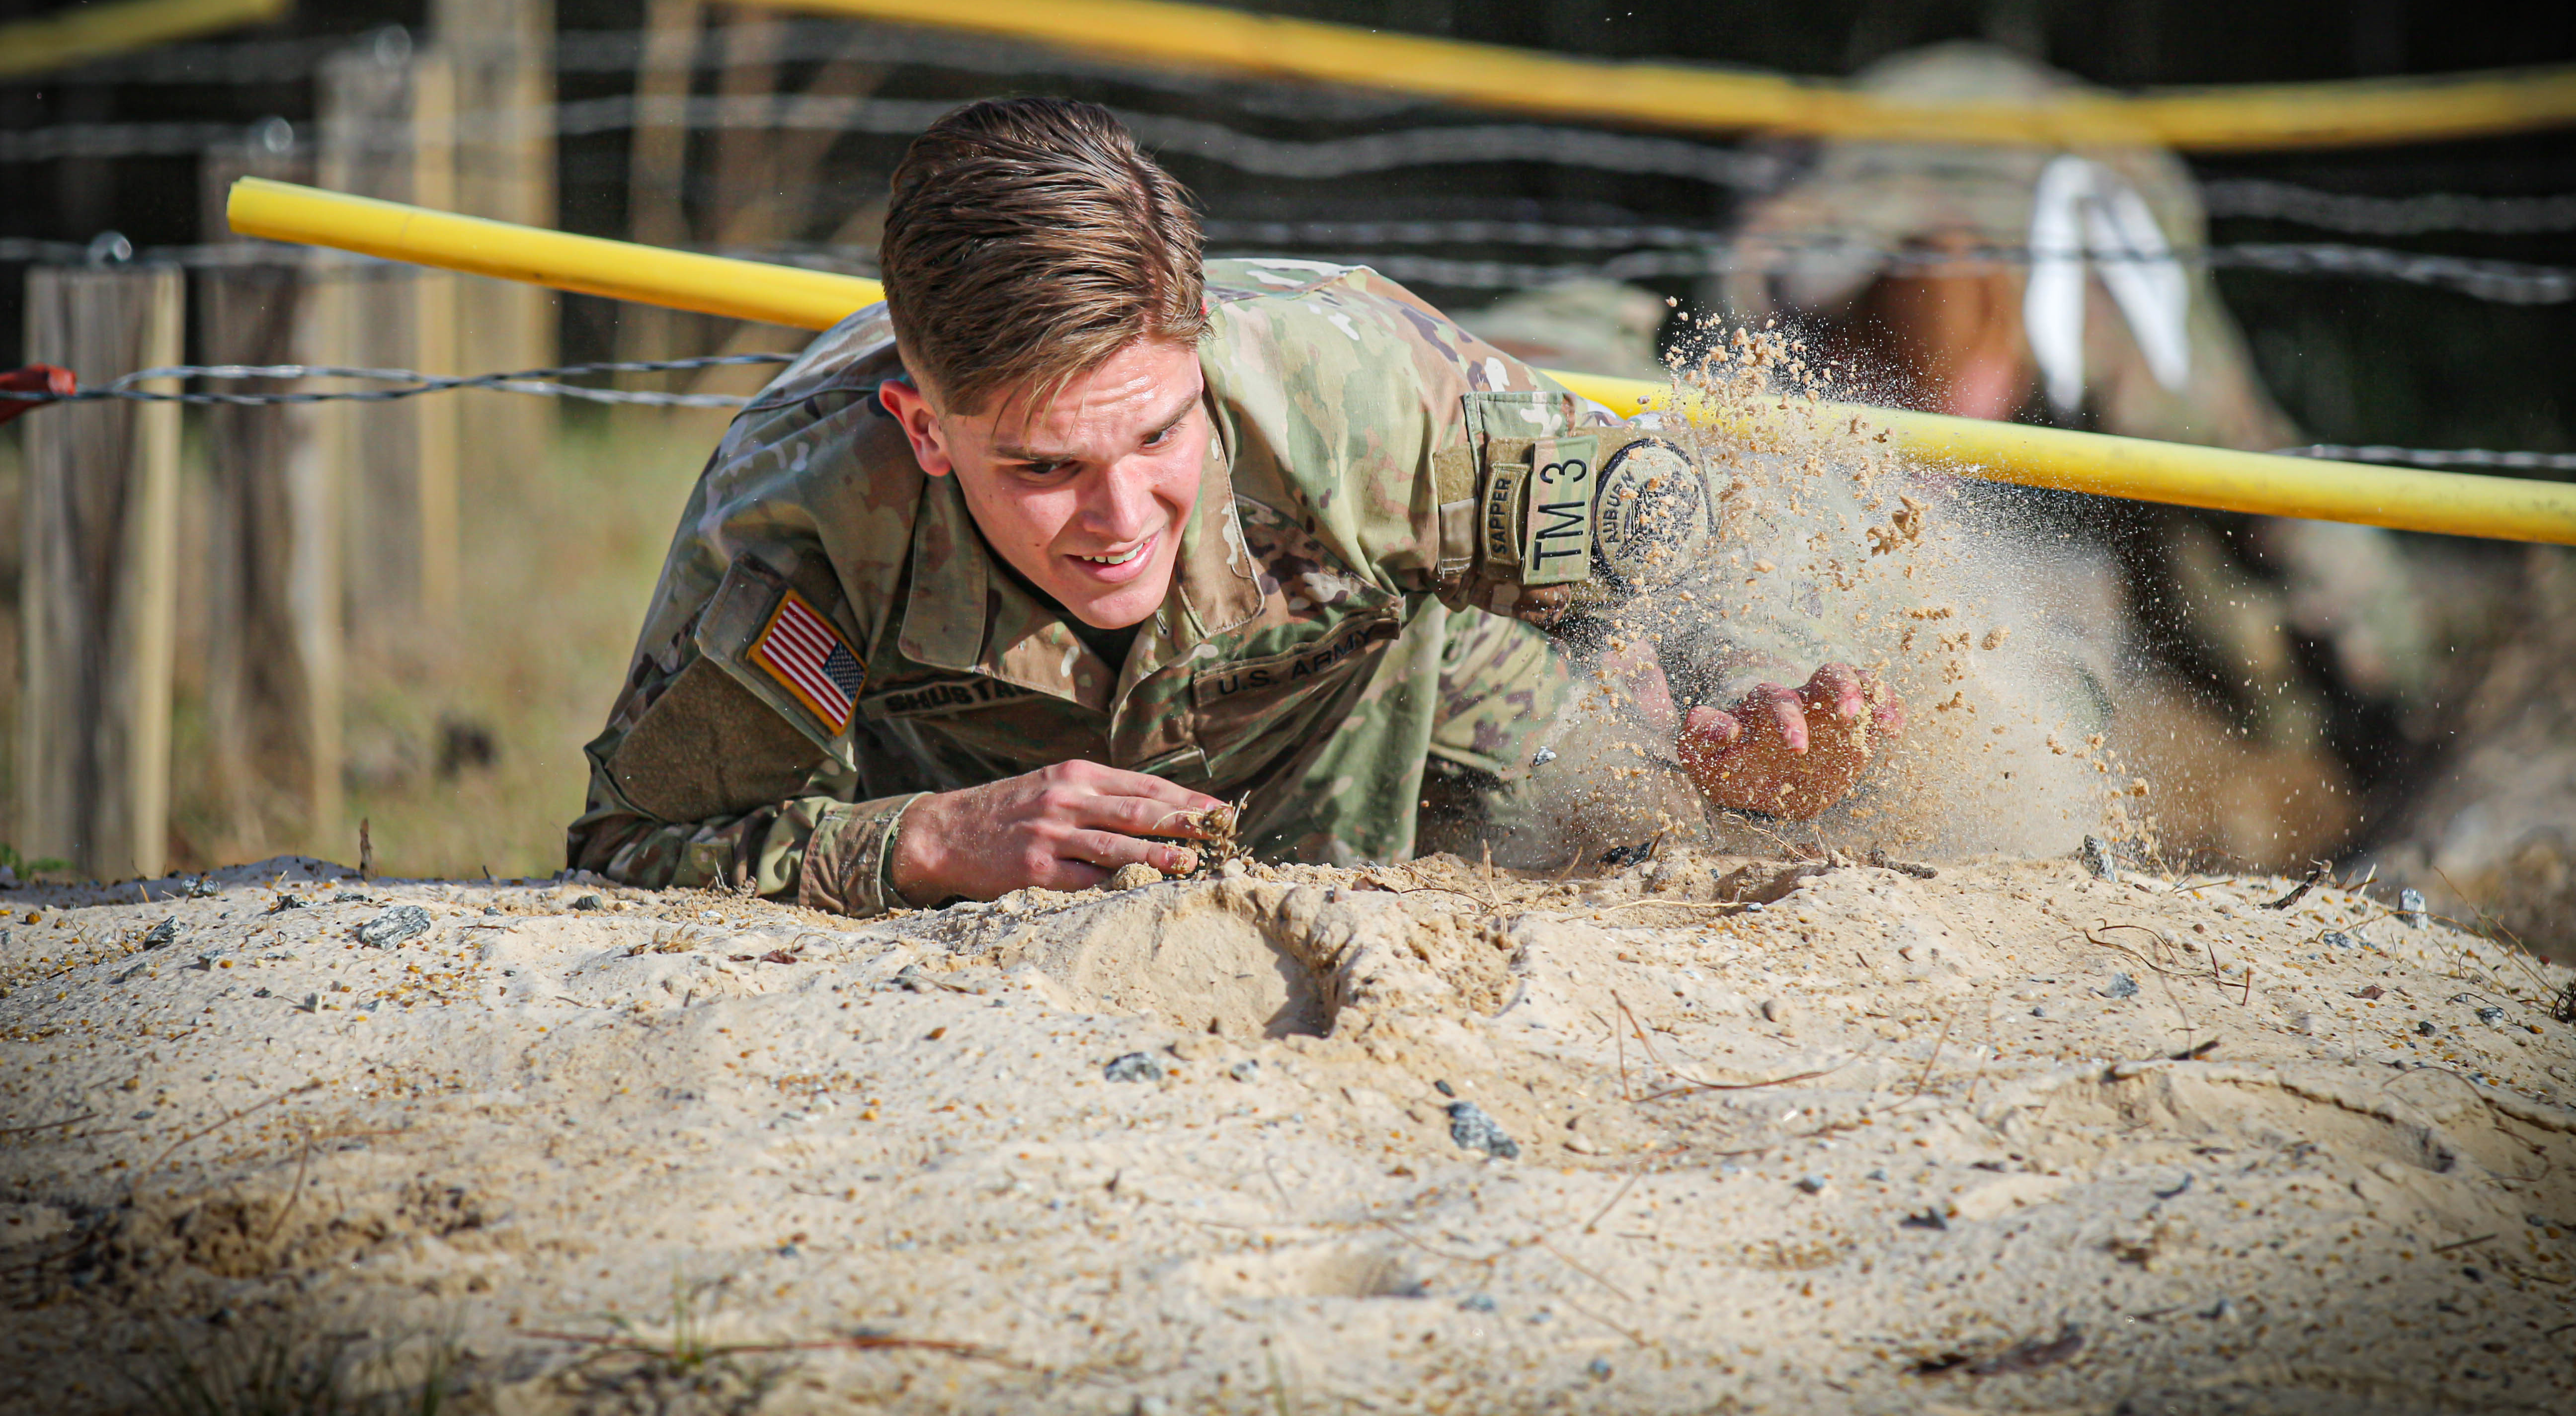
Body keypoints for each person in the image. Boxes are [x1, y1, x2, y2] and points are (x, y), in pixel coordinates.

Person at [565, 98, 1896, 914]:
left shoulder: (1357, 392)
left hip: (1411, 727)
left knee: (1676, 814)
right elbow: (633, 850)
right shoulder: (802, 507)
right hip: (1018, 872)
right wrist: (919, 842)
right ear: (923, 430)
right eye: (1043, 468)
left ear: (1199, 358)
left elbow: (1683, 531)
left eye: (1157, 435)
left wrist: (1760, 695)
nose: (1119, 514)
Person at [1716, 43, 2431, 862]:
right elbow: (1754, 505)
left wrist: (2402, 698)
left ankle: (2327, 759)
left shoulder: (2132, 341)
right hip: (1872, 136)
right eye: (1907, 422)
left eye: (1949, 424)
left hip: (2080, 157)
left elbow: (2286, 500)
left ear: (2013, 361)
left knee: (2214, 606)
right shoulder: (1785, 291)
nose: (1937, 466)